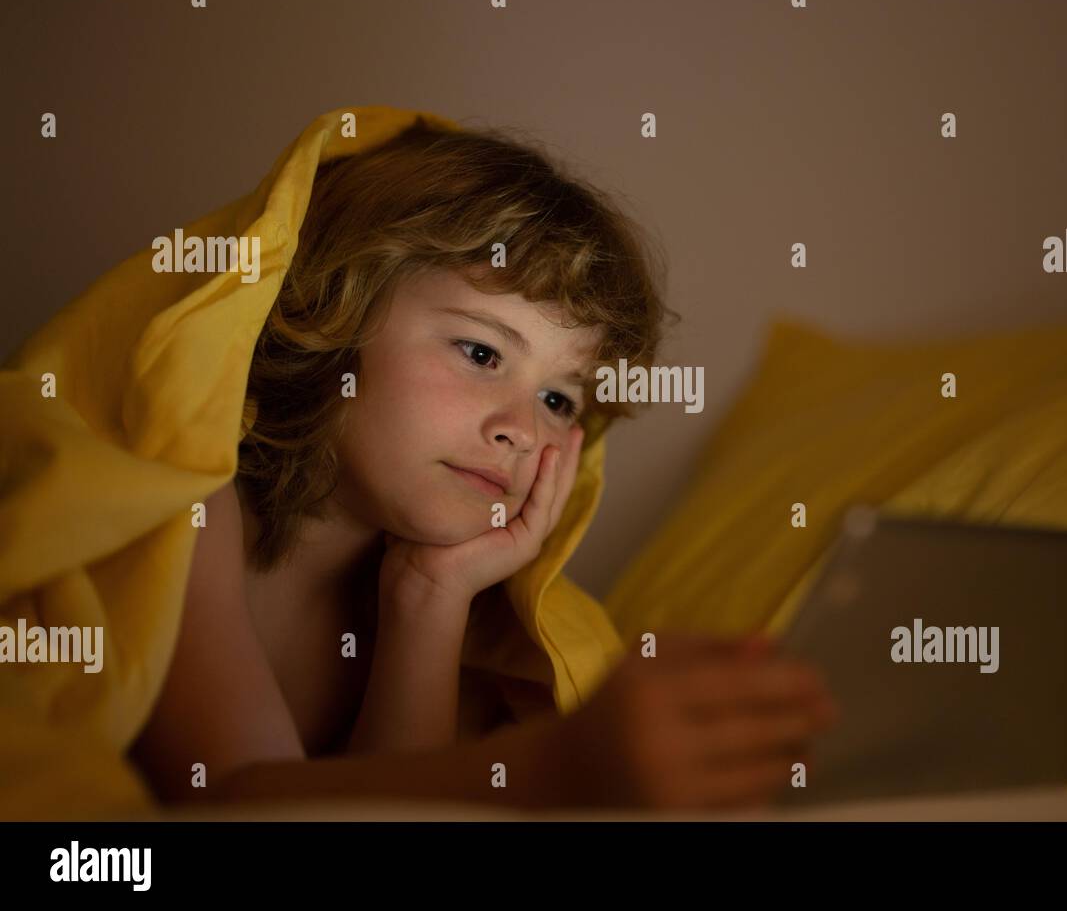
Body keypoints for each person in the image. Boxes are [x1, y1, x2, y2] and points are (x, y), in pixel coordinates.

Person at [128, 118, 839, 813]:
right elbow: (239, 810)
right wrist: (557, 768)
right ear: (337, 308)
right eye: (481, 354)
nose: (522, 432)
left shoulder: (433, 593)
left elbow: (389, 812)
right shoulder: (192, 502)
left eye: (559, 399)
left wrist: (429, 594)